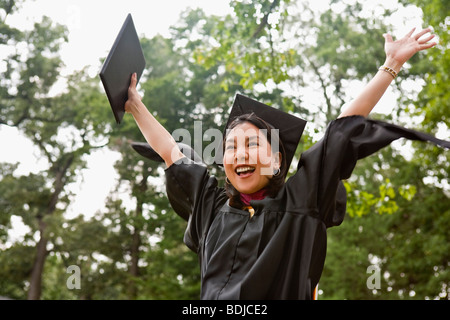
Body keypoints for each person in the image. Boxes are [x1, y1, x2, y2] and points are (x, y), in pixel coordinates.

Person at [124, 28, 448, 299]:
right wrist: (135, 103)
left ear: (277, 161)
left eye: (251, 144)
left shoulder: (301, 203)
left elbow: (341, 129)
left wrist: (390, 65)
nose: (240, 154)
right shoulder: (212, 208)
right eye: (231, 147)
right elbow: (171, 152)